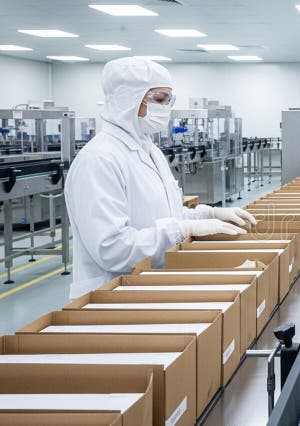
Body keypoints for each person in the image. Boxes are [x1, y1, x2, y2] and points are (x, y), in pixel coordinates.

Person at [65, 57, 256, 299]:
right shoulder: (99, 159)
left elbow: (168, 215)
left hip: (150, 286)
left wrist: (208, 213)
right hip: (113, 296)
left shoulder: (150, 150)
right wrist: (183, 230)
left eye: (169, 100)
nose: (166, 107)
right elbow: (112, 249)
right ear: (129, 99)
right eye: (160, 99)